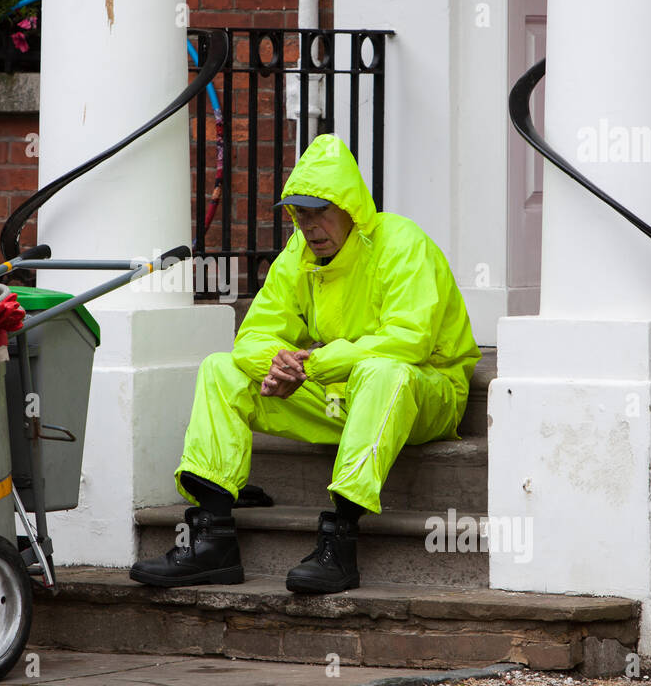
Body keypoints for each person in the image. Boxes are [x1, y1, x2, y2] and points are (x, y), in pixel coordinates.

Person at [129, 132, 481, 593]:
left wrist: (313, 365)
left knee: (383, 371)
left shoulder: (403, 244)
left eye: (319, 212)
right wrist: (276, 364)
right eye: (299, 214)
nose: (308, 226)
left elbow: (407, 342)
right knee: (221, 368)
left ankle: (340, 540)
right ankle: (213, 538)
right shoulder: (299, 253)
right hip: (343, 394)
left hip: (426, 393)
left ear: (350, 209)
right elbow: (252, 335)